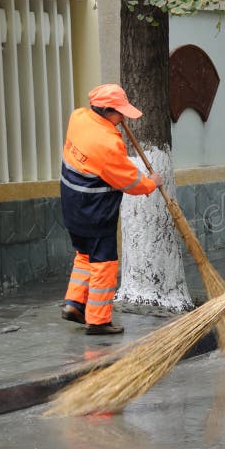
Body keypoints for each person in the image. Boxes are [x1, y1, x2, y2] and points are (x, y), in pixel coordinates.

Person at [59, 84, 163, 335]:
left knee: (84, 254)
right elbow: (130, 182)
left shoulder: (78, 117)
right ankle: (97, 321)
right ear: (106, 110)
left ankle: (73, 303)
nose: (123, 118)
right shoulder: (107, 144)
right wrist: (153, 182)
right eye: (120, 113)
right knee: (104, 263)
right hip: (95, 211)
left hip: (71, 205)